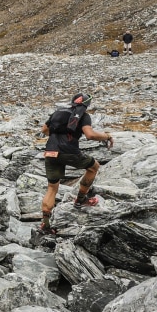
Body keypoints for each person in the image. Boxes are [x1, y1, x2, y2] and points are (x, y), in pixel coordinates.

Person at [39, 92, 114, 235]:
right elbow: (90, 135)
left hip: (50, 152)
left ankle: (45, 225)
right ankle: (80, 200)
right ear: (87, 104)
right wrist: (107, 136)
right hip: (69, 151)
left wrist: (58, 136)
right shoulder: (84, 116)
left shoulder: (58, 113)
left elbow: (44, 130)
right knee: (94, 167)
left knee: (52, 188)